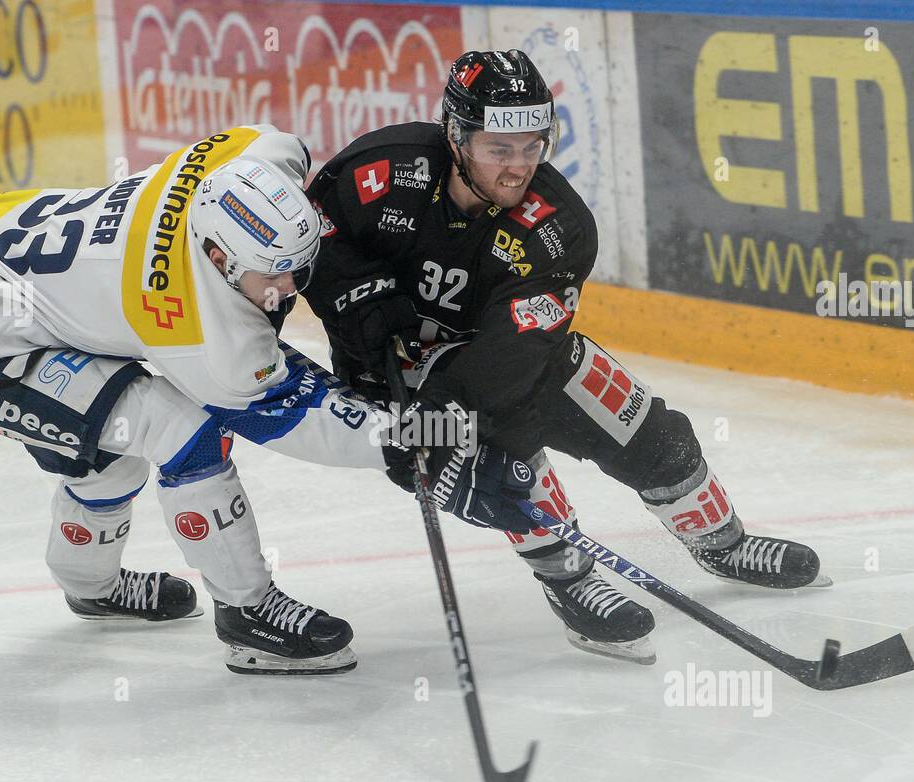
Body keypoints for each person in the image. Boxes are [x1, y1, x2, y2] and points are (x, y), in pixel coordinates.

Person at [0, 124, 532, 675]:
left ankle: (90, 588)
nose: (289, 289)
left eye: (299, 264)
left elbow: (303, 177)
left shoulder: (258, 151)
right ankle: (247, 613)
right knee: (179, 432)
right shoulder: (204, 334)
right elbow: (301, 416)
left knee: (109, 459)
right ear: (216, 256)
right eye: (274, 275)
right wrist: (405, 445)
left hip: (7, 272)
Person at [303, 52, 825, 666]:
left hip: (498, 361)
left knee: (643, 427)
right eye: (500, 148)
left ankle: (721, 542)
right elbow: (310, 235)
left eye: (532, 145)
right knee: (515, 471)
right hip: (393, 371)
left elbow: (515, 350)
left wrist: (456, 417)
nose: (518, 166)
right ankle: (571, 580)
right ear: (456, 135)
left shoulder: (558, 226)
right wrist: (362, 314)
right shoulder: (381, 171)